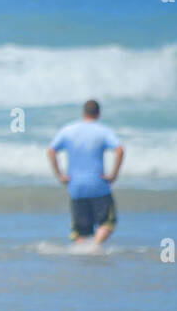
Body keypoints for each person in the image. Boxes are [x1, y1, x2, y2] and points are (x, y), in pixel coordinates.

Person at [48, 99, 124, 250]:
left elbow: (51, 150)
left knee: (81, 231)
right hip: (98, 184)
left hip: (75, 186)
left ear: (83, 112)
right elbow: (120, 149)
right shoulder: (103, 131)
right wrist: (114, 174)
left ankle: (82, 257)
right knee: (107, 223)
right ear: (98, 113)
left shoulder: (68, 130)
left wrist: (60, 175)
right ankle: (94, 247)